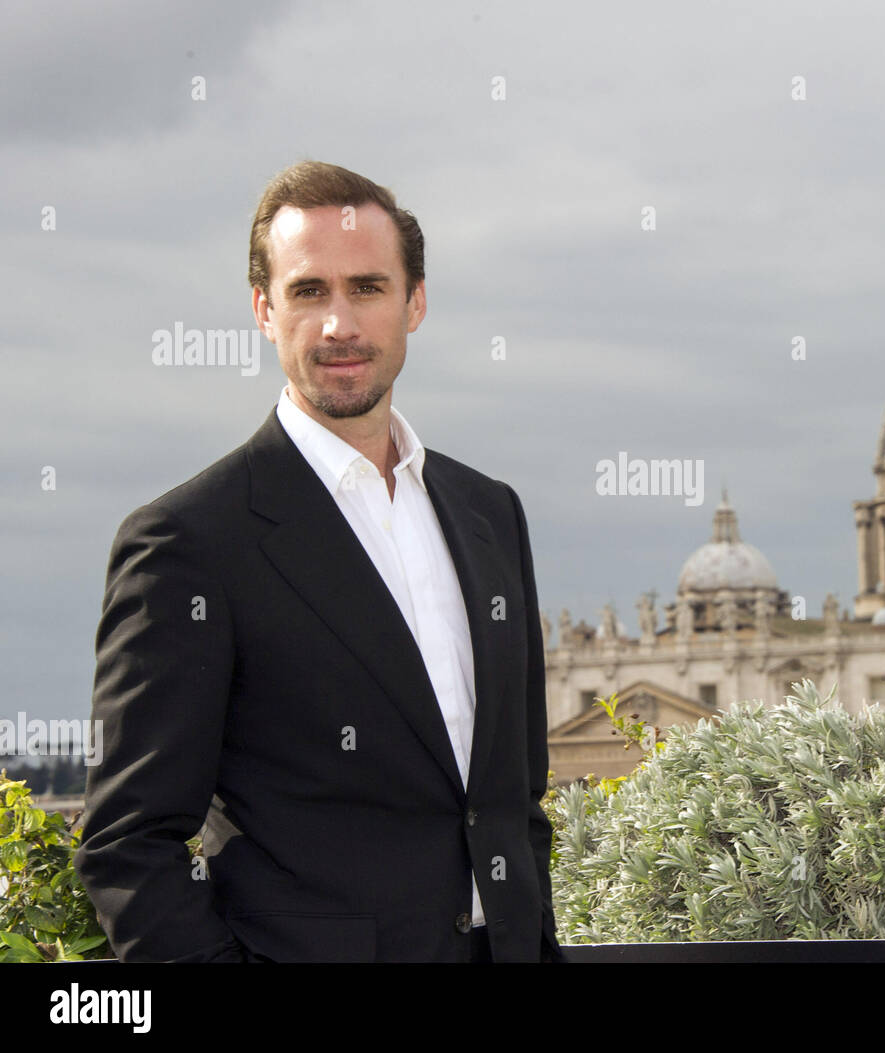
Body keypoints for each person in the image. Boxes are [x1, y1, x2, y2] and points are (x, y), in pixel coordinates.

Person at [74, 160, 563, 963]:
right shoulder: (188, 540)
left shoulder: (490, 514)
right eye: (308, 292)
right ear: (264, 310)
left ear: (416, 302)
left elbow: (516, 798)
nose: (340, 324)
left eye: (368, 287)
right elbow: (128, 844)